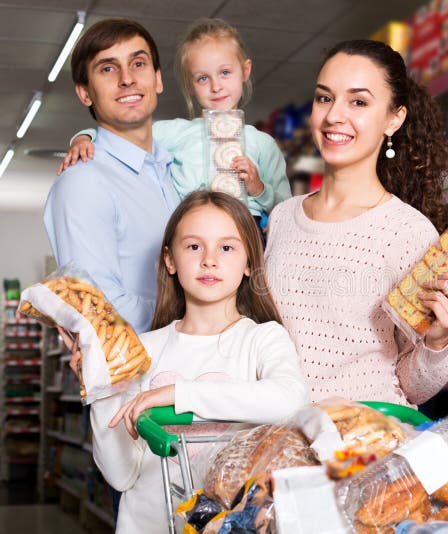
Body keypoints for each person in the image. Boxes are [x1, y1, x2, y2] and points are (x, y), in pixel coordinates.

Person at [62, 191, 308, 534]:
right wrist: (102, 389)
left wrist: (178, 394)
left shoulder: (263, 339)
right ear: (170, 260)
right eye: (194, 246)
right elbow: (120, 476)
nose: (209, 260)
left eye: (227, 247)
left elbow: (291, 399)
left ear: (250, 263)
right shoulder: (142, 350)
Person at [265, 40, 448, 407]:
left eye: (358, 102)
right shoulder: (282, 217)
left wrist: (438, 338)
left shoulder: (408, 232)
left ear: (394, 119)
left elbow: (413, 387)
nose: (333, 115)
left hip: (365, 433)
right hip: (281, 430)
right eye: (324, 98)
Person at [58, 18, 290, 230]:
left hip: (247, 233)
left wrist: (259, 189)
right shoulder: (175, 132)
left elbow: (287, 211)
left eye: (225, 72)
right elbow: (121, 136)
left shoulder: (263, 144)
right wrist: (84, 138)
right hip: (190, 234)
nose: (216, 86)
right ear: (190, 85)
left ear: (245, 71)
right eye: (202, 78)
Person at [44, 18, 181, 334]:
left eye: (138, 64)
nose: (127, 79)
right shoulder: (83, 182)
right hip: (139, 366)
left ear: (158, 79)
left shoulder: (170, 171)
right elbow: (97, 309)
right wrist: (198, 315)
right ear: (85, 93)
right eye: (108, 68)